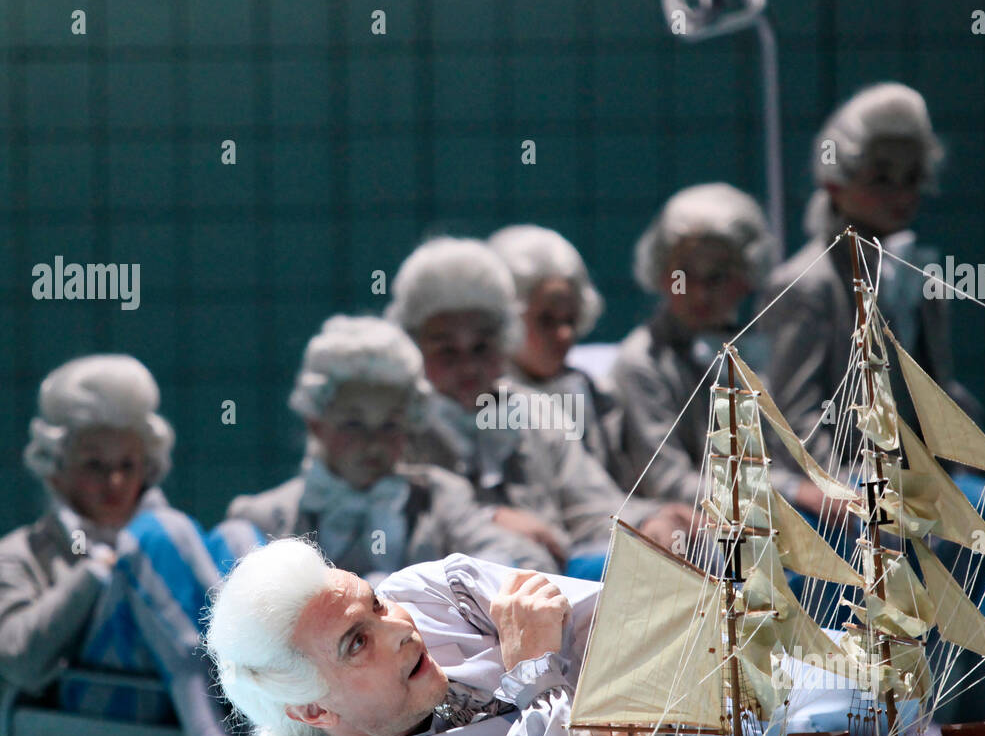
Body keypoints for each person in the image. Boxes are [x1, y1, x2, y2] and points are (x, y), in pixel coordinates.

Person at [0, 355, 239, 736]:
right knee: (161, 530)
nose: (114, 482)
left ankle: (249, 706)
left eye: (128, 465)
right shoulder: (11, 556)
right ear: (55, 467)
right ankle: (215, 734)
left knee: (235, 534)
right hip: (97, 705)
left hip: (166, 708)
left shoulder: (167, 537)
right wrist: (95, 573)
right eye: (94, 465)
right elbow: (19, 659)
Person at [204, 537, 603, 736]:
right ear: (313, 711)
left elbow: (628, 623)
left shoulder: (430, 591)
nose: (402, 630)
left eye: (376, 604)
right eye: (357, 642)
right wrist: (535, 675)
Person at [384, 236, 691, 576]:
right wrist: (488, 518)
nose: (468, 366)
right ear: (414, 350)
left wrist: (648, 521)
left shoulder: (533, 412)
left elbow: (590, 503)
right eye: (447, 351)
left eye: (481, 347)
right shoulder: (396, 426)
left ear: (504, 342)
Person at [751, 82, 980, 518]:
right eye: (880, 178)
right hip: (850, 479)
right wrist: (842, 489)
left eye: (911, 179)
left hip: (921, 476)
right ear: (835, 182)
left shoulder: (914, 275)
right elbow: (795, 418)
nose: (900, 193)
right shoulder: (805, 286)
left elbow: (935, 389)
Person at [224, 315, 556, 581]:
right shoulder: (265, 516)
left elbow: (524, 563)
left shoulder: (440, 498)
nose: (373, 442)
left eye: (390, 424)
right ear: (317, 424)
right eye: (353, 424)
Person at [610, 182, 778, 508]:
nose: (700, 294)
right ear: (660, 273)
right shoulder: (641, 362)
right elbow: (667, 480)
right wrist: (776, 498)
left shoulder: (757, 351)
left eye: (717, 277)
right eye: (684, 275)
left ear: (746, 278)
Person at [486, 224, 627, 487]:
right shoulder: (483, 402)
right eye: (546, 320)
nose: (564, 335)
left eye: (570, 320)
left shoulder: (596, 395)